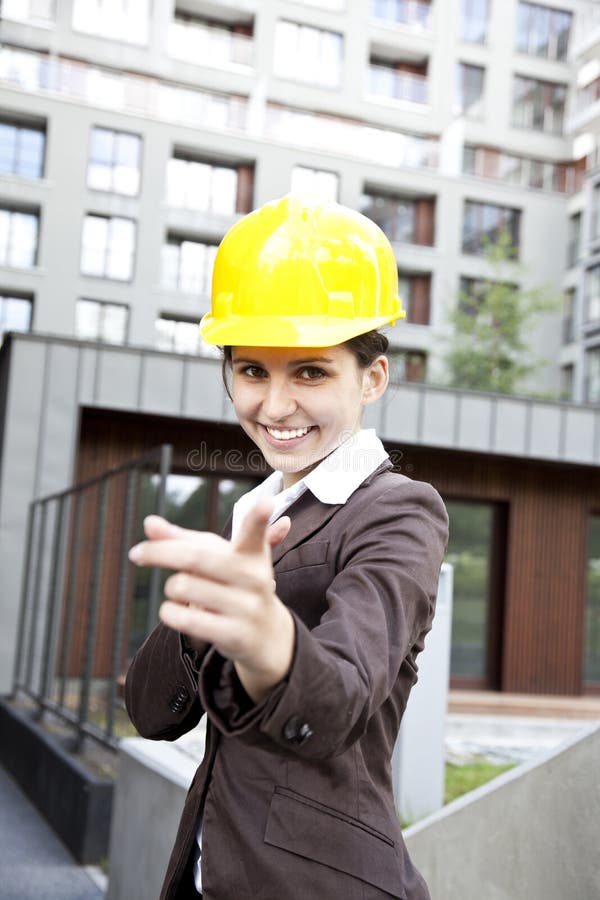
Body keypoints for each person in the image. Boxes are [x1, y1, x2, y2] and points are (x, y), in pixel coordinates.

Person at [125, 193, 449, 900]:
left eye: (309, 372)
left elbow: (343, 697)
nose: (274, 406)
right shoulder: (257, 519)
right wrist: (202, 613)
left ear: (372, 376)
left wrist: (268, 638)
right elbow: (150, 713)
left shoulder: (398, 512)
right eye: (251, 372)